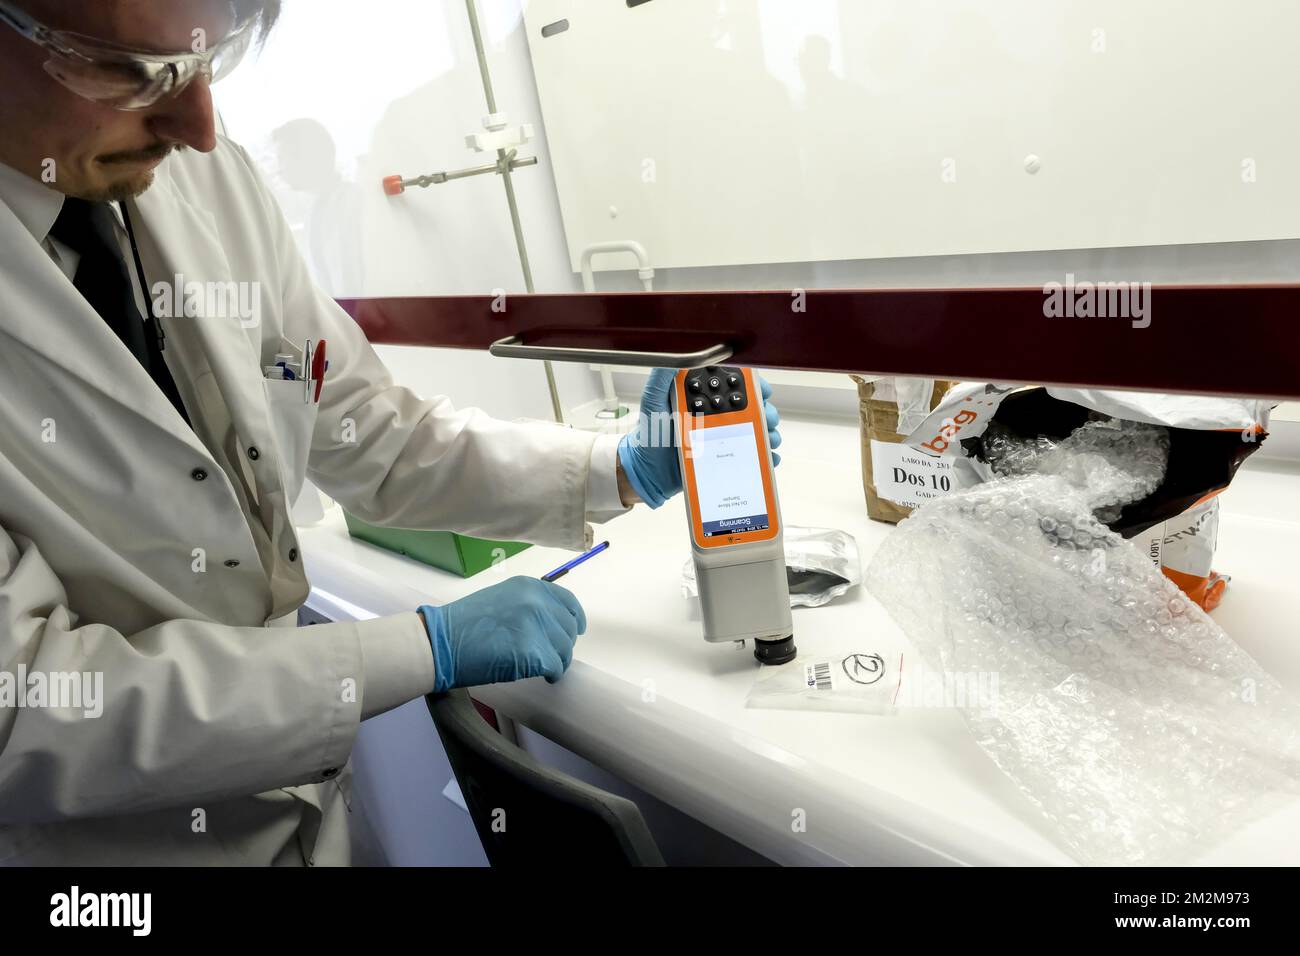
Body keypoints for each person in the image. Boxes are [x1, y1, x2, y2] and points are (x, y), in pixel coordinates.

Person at [0, 0, 781, 865]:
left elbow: (371, 429)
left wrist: (616, 470)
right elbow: (25, 704)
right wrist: (418, 649)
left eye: (205, 63)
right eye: (133, 73)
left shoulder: (205, 184)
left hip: (313, 820)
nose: (200, 126)